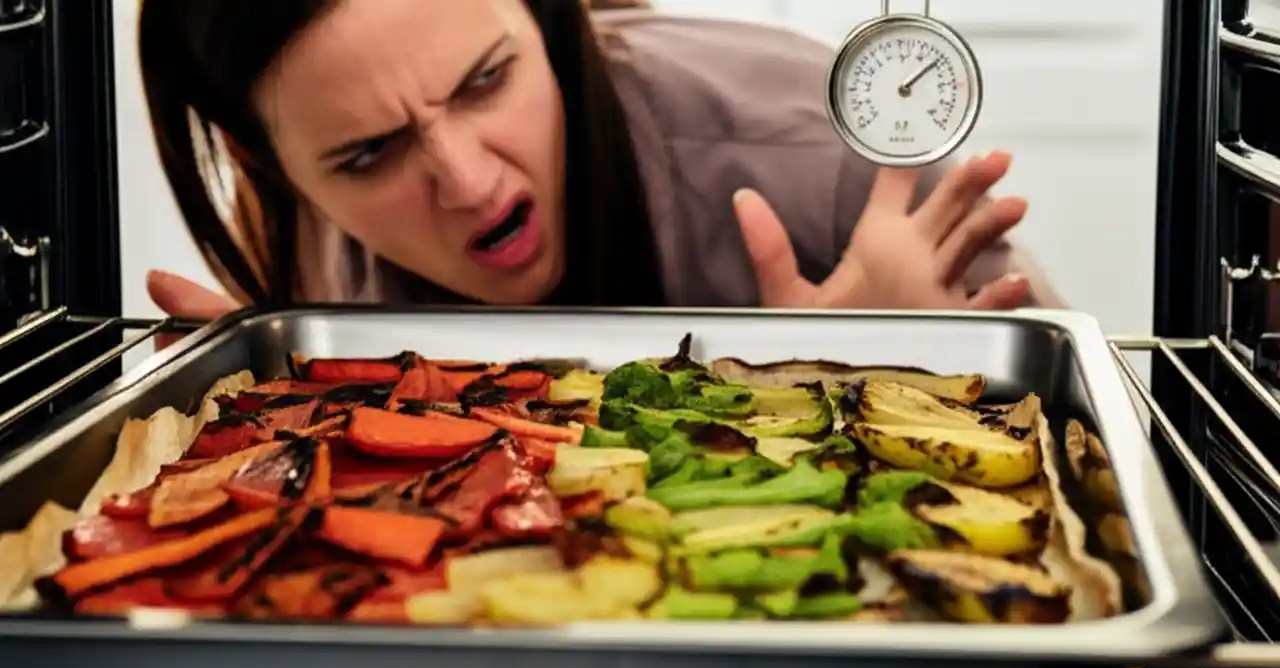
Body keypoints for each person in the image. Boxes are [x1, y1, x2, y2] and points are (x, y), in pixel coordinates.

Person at [139, 0, 1066, 323]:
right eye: (368, 154)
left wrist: (932, 368)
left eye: (487, 80)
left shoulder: (821, 151)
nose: (470, 184)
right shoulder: (291, 254)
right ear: (259, 159)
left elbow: (1118, 479)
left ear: (544, 22)